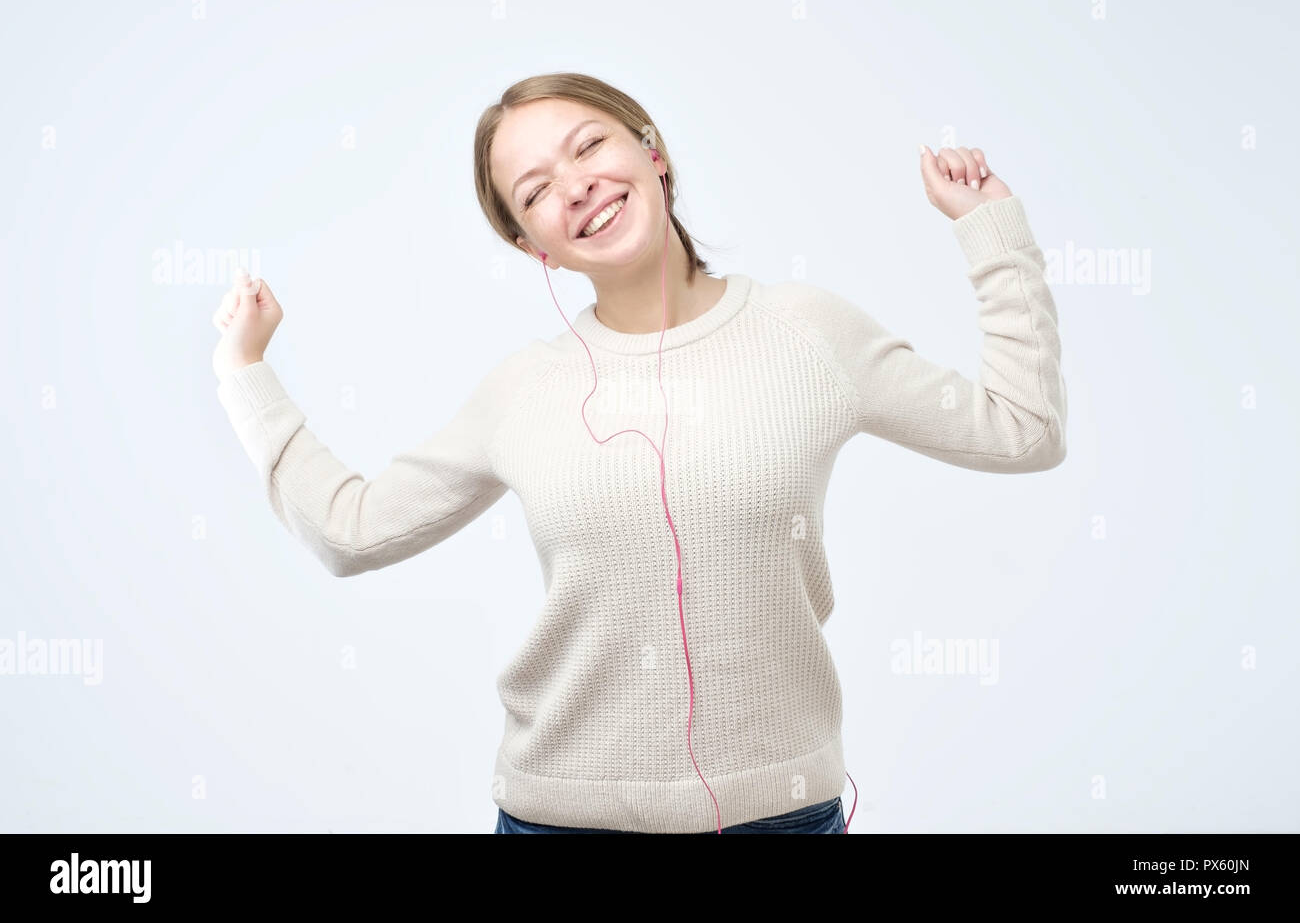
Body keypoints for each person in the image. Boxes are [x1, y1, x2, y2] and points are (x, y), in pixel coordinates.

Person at [211, 72, 1066, 835]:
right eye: (537, 190)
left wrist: (989, 228)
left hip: (782, 814)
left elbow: (1023, 430)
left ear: (652, 151)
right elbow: (350, 531)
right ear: (530, 244)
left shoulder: (809, 332)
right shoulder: (521, 391)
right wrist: (245, 371)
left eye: (589, 146)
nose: (577, 186)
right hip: (561, 820)